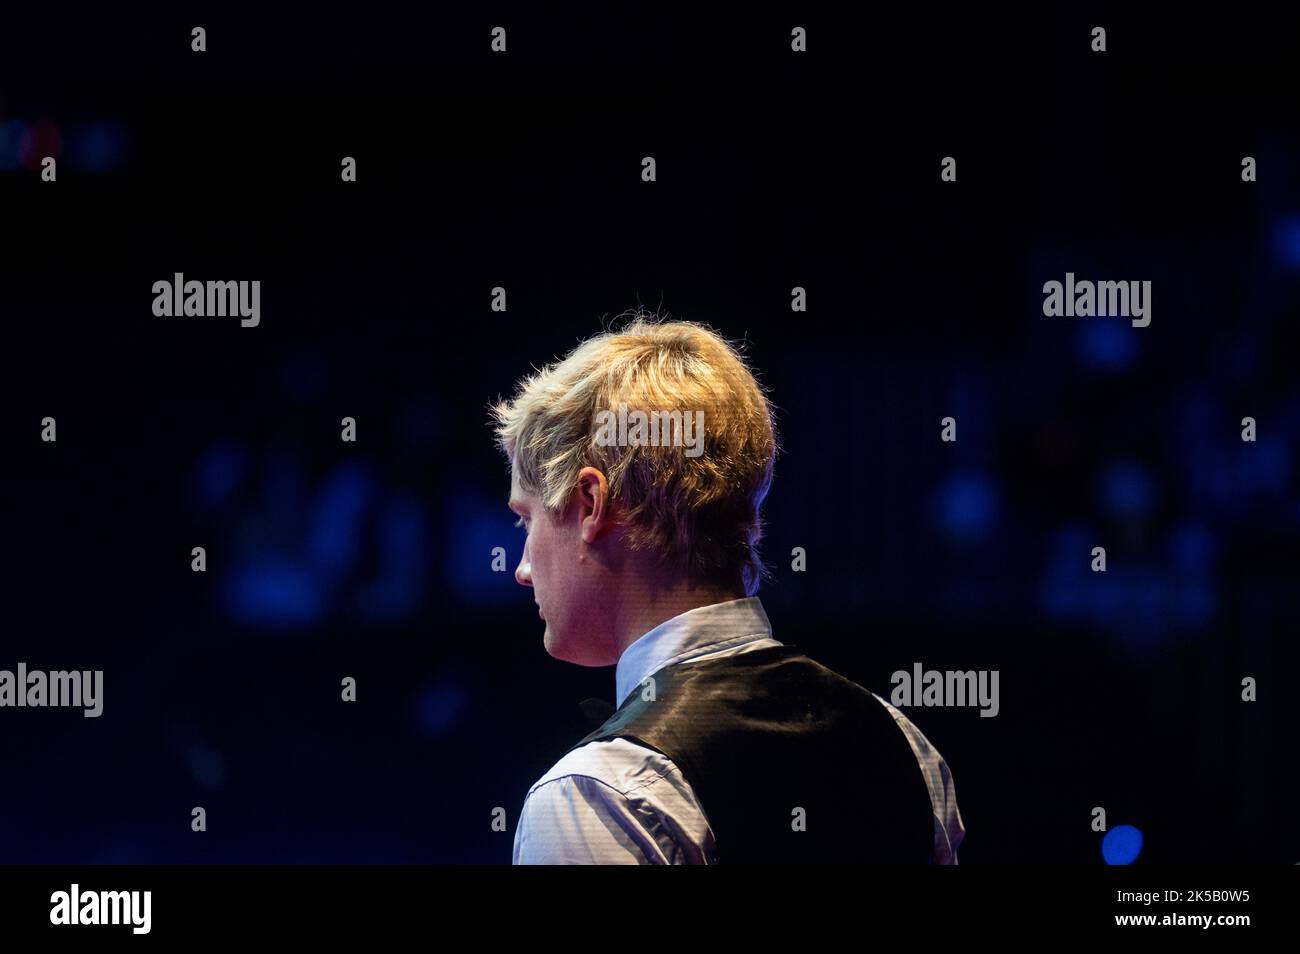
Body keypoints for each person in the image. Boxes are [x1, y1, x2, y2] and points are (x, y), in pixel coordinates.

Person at [490, 313, 965, 864]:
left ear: (591, 504)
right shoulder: (905, 744)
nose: (522, 568)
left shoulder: (600, 795)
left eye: (527, 520)